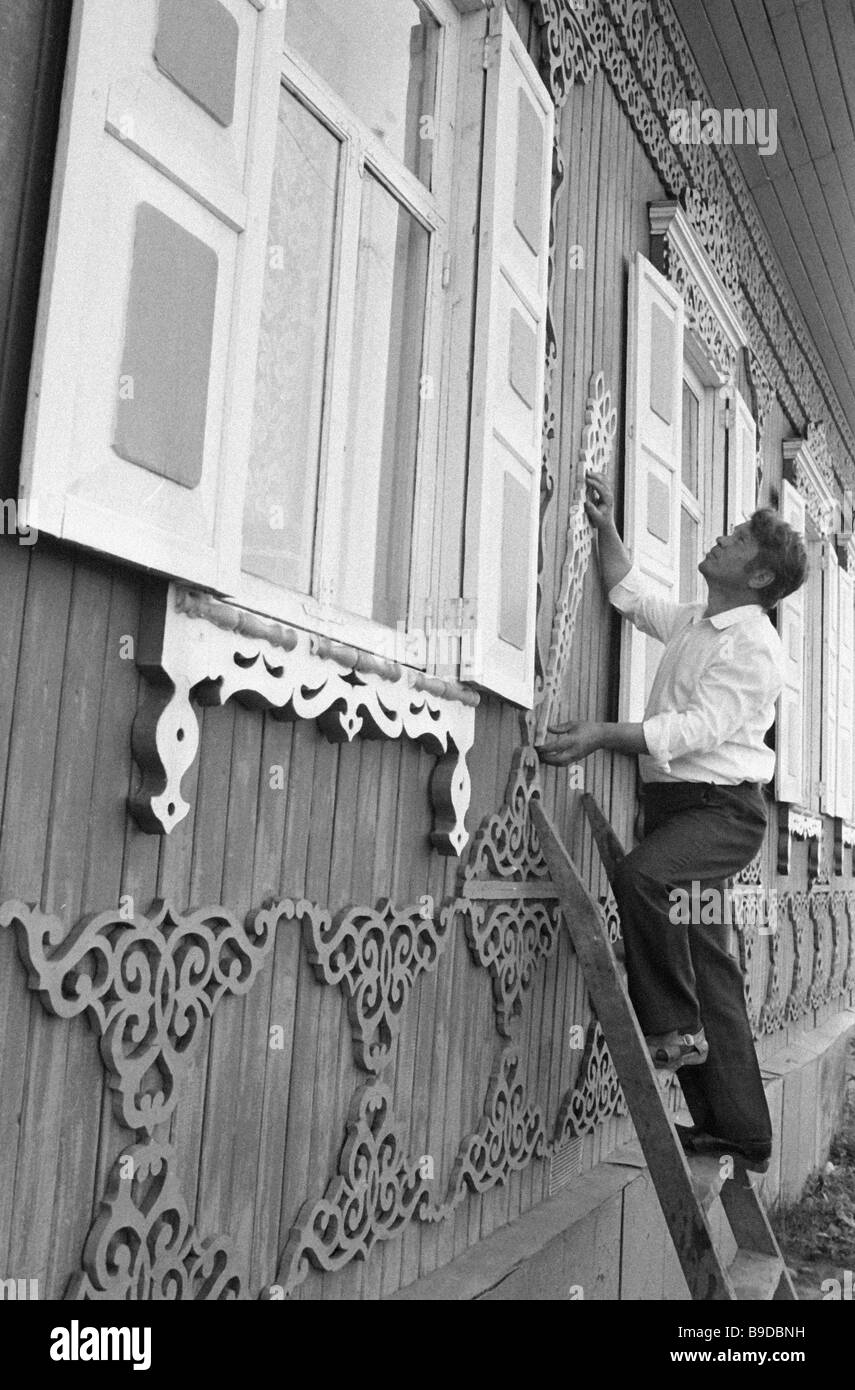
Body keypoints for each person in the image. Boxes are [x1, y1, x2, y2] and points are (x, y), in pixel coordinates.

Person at [538, 472, 808, 1172]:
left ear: (755, 573)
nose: (721, 536)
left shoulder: (754, 649)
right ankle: (741, 1132)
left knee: (643, 879)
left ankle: (671, 1029)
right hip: (679, 811)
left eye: (738, 538)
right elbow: (630, 595)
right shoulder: (696, 619)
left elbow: (693, 730)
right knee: (709, 969)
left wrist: (600, 734)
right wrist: (604, 529)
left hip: (722, 817)